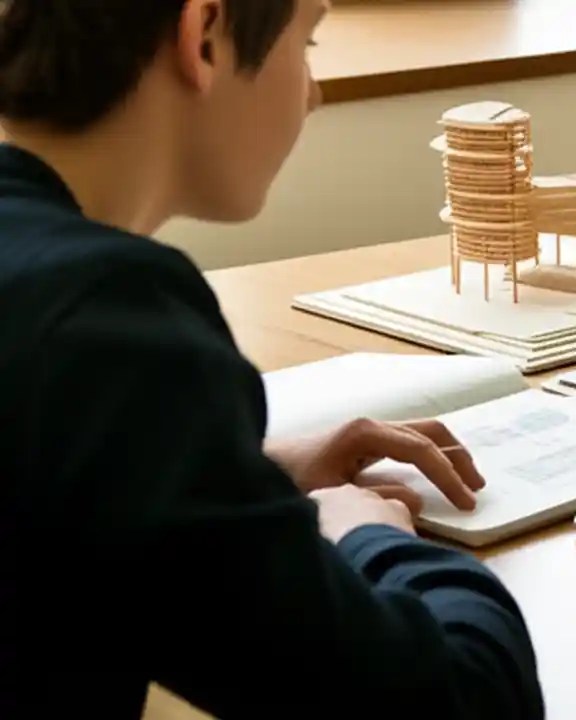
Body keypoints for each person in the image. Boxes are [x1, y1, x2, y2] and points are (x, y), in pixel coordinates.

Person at [0, 1, 544, 717]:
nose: (313, 95)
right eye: (307, 42)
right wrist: (369, 535)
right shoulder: (111, 316)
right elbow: (468, 698)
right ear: (205, 36)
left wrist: (239, 472)